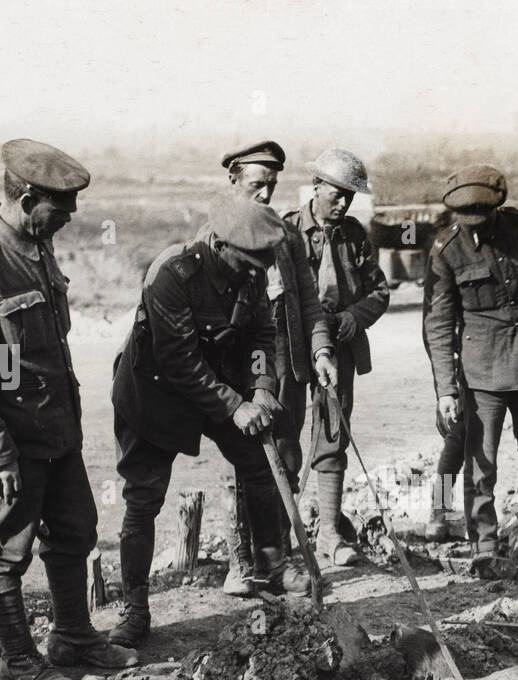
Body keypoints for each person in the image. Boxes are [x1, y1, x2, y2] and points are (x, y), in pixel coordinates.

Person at [0, 139, 138, 680]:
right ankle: (21, 662)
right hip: (10, 442)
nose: (71, 217)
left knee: (75, 532)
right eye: (62, 206)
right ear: (27, 198)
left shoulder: (37, 247)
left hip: (56, 432)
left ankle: (73, 636)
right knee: (6, 552)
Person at [109, 197, 293, 646]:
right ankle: (135, 609)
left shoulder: (251, 269)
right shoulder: (171, 273)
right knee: (143, 498)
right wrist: (236, 406)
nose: (256, 275)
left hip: (220, 387)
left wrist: (263, 384)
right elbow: (180, 361)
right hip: (155, 394)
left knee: (261, 465)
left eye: (261, 267)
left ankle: (271, 570)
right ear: (218, 243)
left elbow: (260, 334)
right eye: (248, 265)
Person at [422, 165, 518, 577]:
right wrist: (446, 389)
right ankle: (445, 516)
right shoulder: (446, 248)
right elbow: (437, 323)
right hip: (479, 369)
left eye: (482, 218)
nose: (474, 228)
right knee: (460, 456)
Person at [222, 141, 336, 594]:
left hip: (286, 365)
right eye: (256, 185)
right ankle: (239, 561)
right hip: (236, 372)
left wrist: (321, 349)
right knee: (241, 468)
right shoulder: (216, 233)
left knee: (284, 463)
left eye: (272, 185)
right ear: (233, 180)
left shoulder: (286, 237)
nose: (266, 194)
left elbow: (308, 301)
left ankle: (279, 561)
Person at [280, 149, 389, 565]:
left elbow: (379, 291)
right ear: (317, 187)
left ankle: (328, 534)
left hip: (340, 346)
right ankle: (282, 541)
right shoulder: (287, 231)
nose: (343, 204)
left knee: (332, 434)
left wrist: (353, 317)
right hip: (293, 345)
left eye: (351, 197)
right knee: (285, 435)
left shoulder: (355, 236)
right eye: (338, 194)